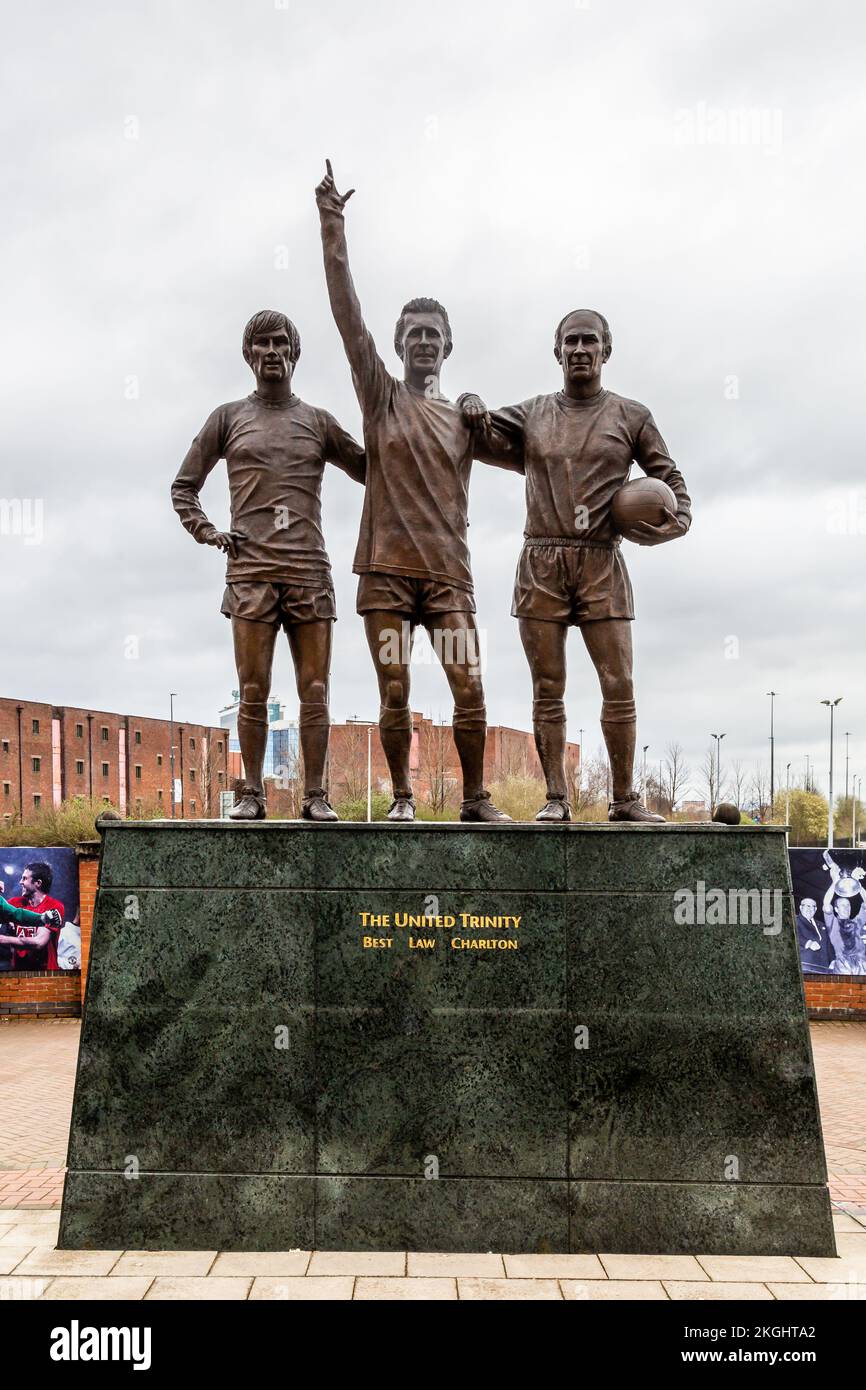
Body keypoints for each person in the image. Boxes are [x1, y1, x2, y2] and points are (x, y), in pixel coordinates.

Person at [316, 160, 510, 823]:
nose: (423, 342)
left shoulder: (466, 417)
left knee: (470, 686)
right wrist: (333, 228)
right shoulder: (380, 396)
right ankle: (401, 798)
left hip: (448, 578)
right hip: (388, 577)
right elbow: (348, 316)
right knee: (394, 690)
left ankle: (477, 798)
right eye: (413, 334)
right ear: (399, 345)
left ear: (448, 346)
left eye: (434, 334)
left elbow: (536, 454)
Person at [462, 309, 692, 822]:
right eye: (571, 341)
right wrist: (468, 401)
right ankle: (555, 799)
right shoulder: (534, 413)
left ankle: (625, 798)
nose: (580, 349)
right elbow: (476, 431)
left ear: (606, 350)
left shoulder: (632, 416)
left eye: (590, 340)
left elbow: (675, 489)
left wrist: (667, 529)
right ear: (557, 351)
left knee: (619, 684)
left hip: (602, 561)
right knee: (547, 688)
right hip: (541, 558)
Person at [172, 309, 366, 821]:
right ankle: (252, 793)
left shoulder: (319, 422)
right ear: (249, 354)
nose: (273, 352)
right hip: (251, 574)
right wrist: (208, 531)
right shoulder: (228, 417)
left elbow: (373, 471)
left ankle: (316, 795)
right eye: (263, 344)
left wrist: (404, 434)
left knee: (316, 690)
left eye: (282, 343)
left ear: (295, 354)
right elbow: (183, 486)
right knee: (253, 690)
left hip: (309, 573)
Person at [0, 865, 64, 970]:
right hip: (18, 971)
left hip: (45, 973)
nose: (20, 882)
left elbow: (38, 943)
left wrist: (3, 939)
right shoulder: (14, 903)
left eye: (24, 878)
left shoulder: (53, 907)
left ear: (38, 883)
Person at [822, 860, 866, 975]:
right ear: (836, 909)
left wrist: (857, 883)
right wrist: (835, 882)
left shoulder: (857, 922)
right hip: (843, 964)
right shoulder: (833, 923)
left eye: (848, 905)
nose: (846, 908)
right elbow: (826, 904)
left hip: (862, 963)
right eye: (842, 905)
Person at [796, 896, 836, 973]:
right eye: (807, 906)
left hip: (823, 968)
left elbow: (828, 945)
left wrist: (833, 960)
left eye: (813, 906)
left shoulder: (822, 925)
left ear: (816, 909)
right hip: (805, 968)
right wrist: (808, 943)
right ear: (801, 907)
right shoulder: (795, 921)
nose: (810, 908)